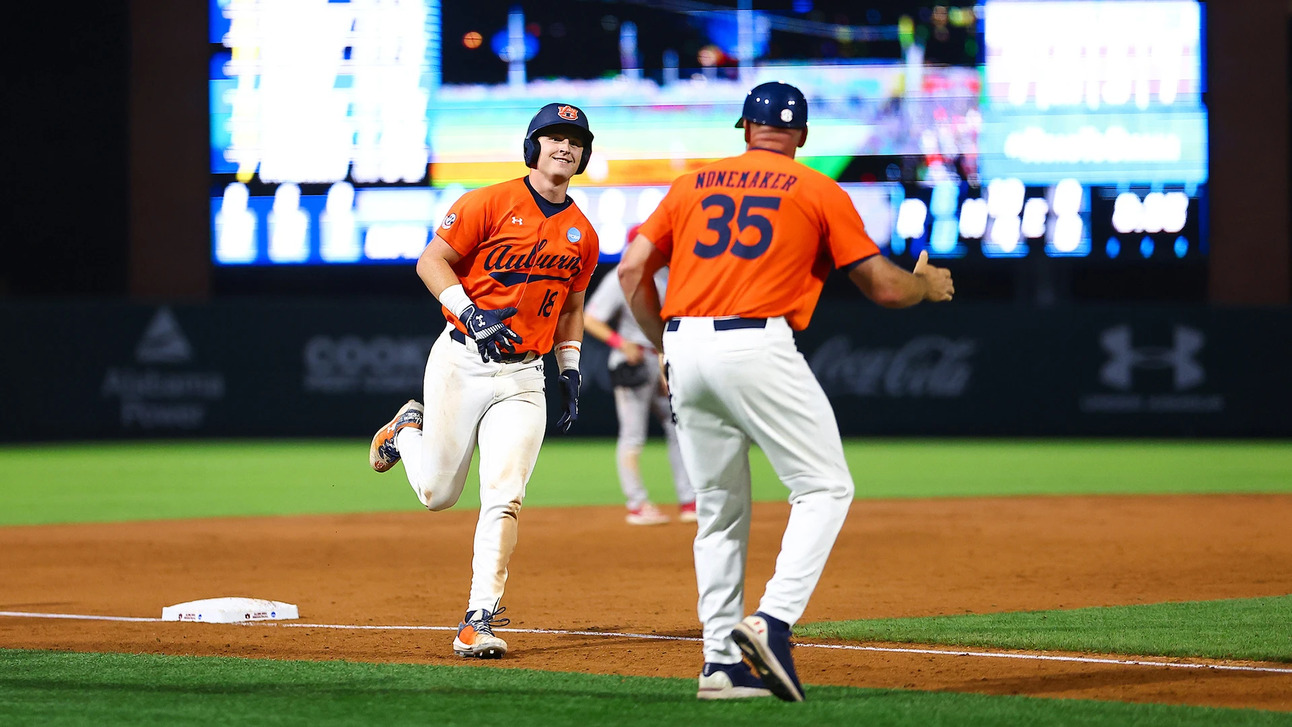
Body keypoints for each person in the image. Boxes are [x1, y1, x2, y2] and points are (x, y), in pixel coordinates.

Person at [618, 81, 954, 702]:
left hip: (685, 343)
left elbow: (632, 268)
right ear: (800, 135)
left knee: (718, 510)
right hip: (755, 341)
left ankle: (721, 666)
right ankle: (772, 621)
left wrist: (664, 344)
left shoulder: (691, 185)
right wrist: (924, 286)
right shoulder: (817, 188)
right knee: (825, 486)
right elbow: (884, 287)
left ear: (746, 128)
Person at [368, 102, 600, 660]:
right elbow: (431, 262)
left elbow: (572, 309)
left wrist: (569, 367)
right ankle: (406, 431)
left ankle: (478, 618)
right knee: (437, 495)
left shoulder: (584, 233)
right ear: (532, 148)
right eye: (554, 137)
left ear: (584, 155)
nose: (565, 147)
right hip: (462, 359)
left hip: (524, 376)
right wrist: (471, 313)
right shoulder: (487, 202)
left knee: (505, 496)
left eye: (575, 141)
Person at [583, 250, 696, 526]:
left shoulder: (666, 275)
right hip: (633, 361)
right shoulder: (621, 276)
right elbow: (589, 318)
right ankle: (637, 503)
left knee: (679, 430)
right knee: (633, 435)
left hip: (663, 357)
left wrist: (666, 360)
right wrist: (621, 344)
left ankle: (689, 500)